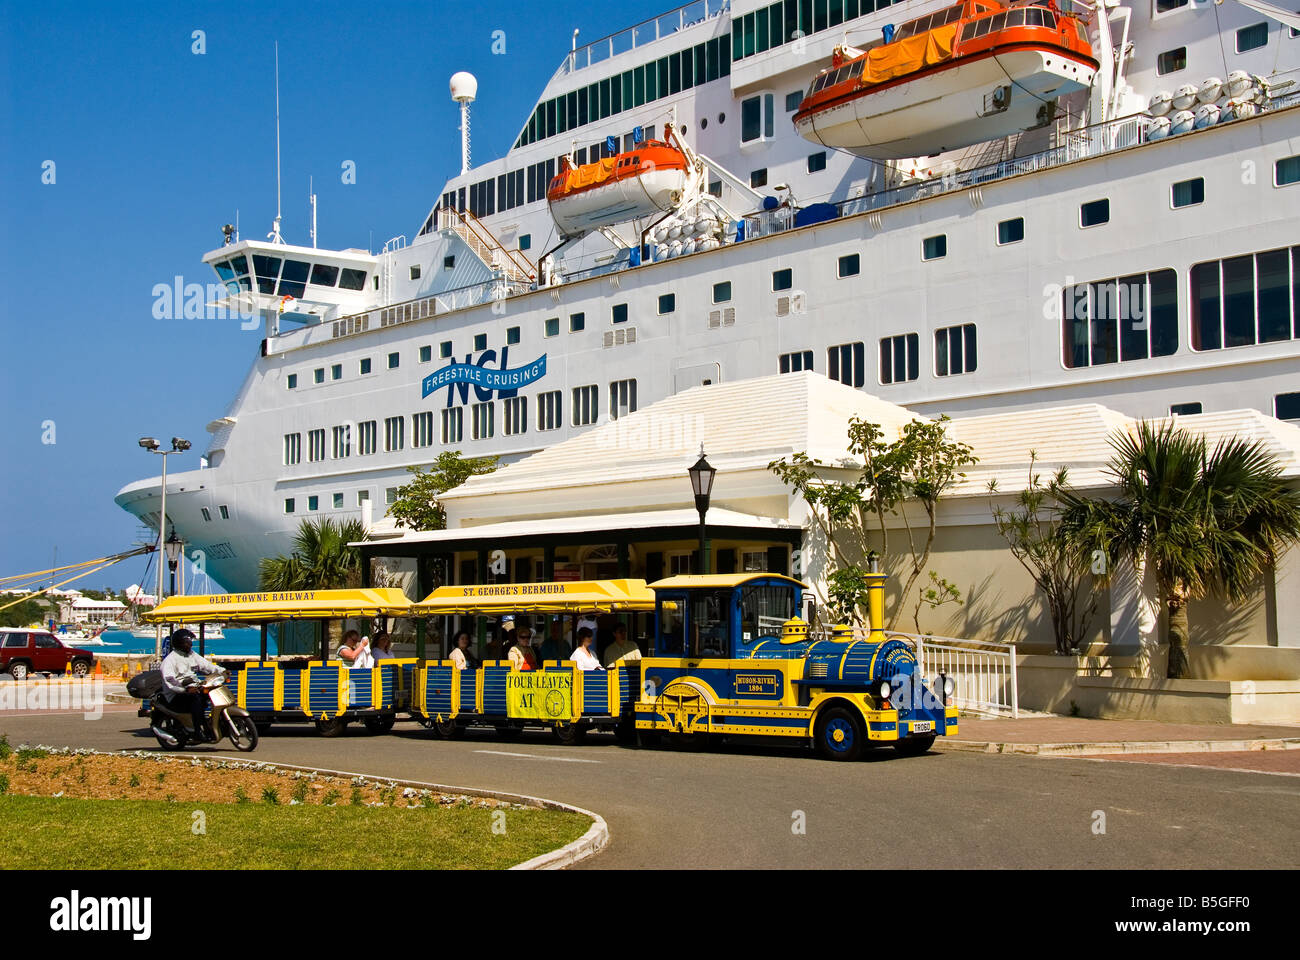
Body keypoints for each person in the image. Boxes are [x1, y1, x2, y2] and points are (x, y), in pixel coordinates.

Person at [160, 628, 225, 742]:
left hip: (193, 688)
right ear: (179, 643)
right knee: (196, 700)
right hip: (176, 695)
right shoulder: (170, 660)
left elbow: (206, 666)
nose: (190, 644)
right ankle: (196, 731)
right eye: (186, 641)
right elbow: (170, 681)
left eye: (190, 641)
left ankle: (208, 724)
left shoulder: (191, 655)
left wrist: (222, 670)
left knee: (210, 694)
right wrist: (185, 689)